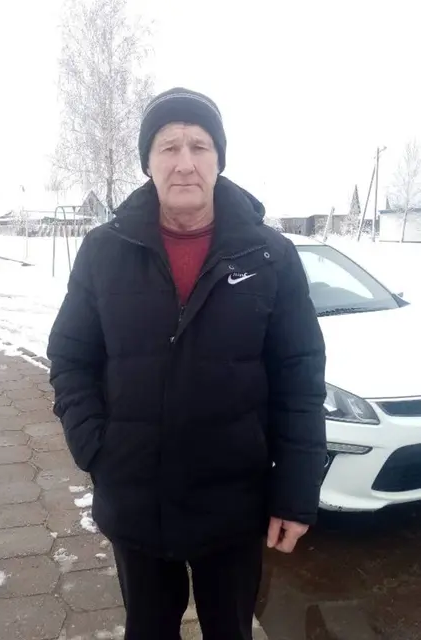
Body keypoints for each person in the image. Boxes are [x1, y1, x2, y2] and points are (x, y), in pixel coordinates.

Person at [47, 87, 327, 640]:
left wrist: (295, 494)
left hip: (235, 506)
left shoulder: (269, 256)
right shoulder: (104, 251)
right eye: (168, 147)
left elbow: (299, 377)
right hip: (136, 500)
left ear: (219, 160)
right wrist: (95, 446)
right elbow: (71, 356)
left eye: (199, 146)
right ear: (147, 162)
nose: (184, 162)